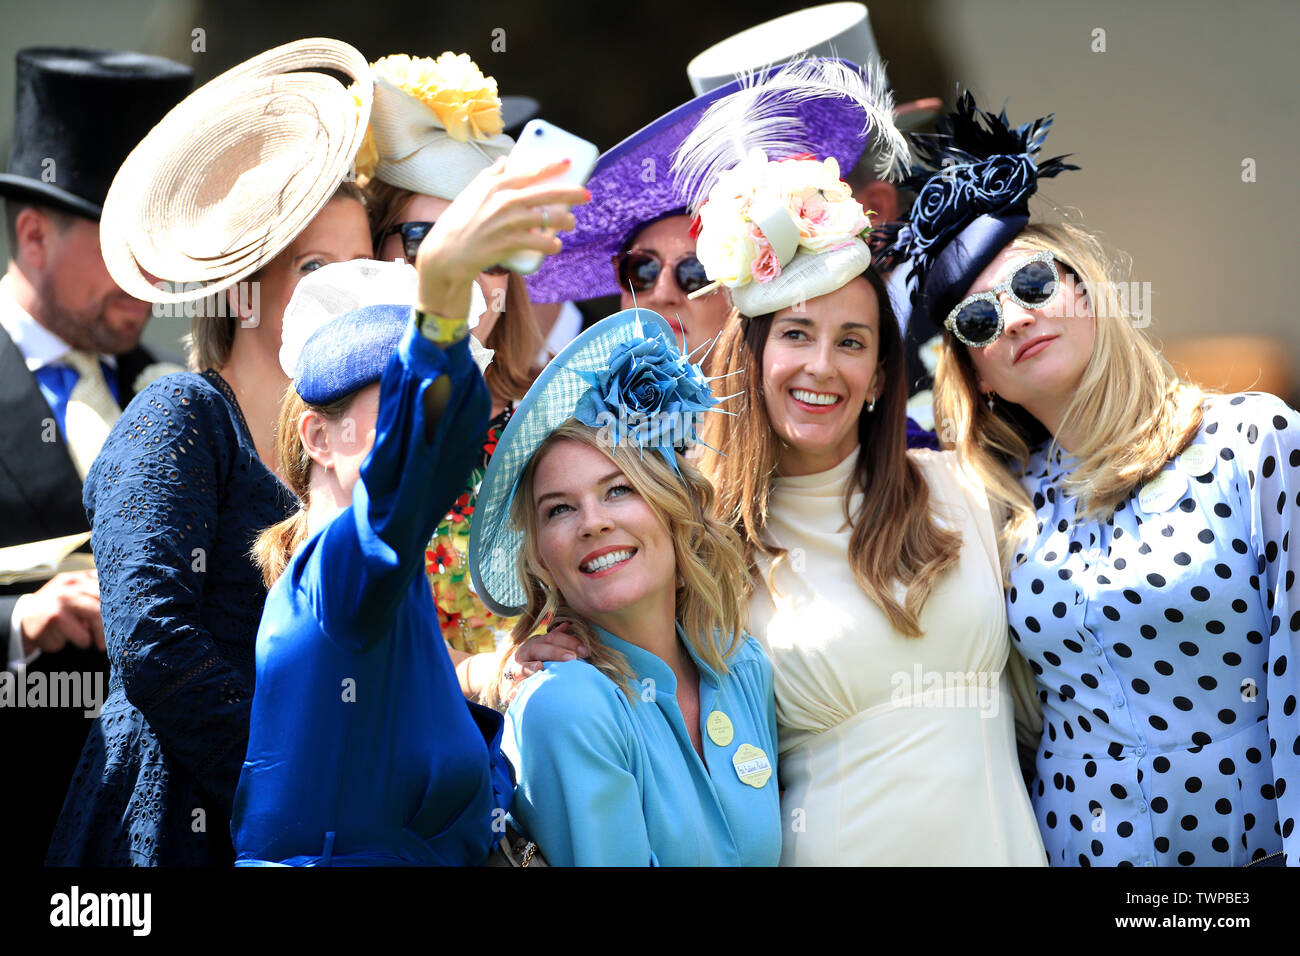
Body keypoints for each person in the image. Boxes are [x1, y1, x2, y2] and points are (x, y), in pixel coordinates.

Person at [889, 91, 1300, 866]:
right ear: (979, 378)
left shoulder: (1254, 442)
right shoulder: (995, 507)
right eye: (977, 321)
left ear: (1087, 289)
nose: (1013, 317)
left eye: (1034, 284)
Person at [678, 62, 1047, 865]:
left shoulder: (966, 490)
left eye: (852, 342)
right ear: (752, 357)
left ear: (881, 376)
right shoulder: (705, 547)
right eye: (796, 335)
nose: (822, 367)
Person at [46, 39, 375, 866]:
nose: (346, 291)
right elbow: (154, 642)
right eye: (314, 267)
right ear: (243, 283)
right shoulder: (179, 412)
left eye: (363, 267)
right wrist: (295, 784)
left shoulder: (352, 443)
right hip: (166, 827)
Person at [232, 142, 583, 862]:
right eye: (389, 405)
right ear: (319, 440)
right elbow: (408, 471)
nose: (413, 428)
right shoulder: (339, 575)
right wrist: (446, 286)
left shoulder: (381, 582)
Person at [468, 308, 781, 866]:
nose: (593, 522)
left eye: (617, 490)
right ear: (540, 553)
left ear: (673, 506)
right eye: (559, 509)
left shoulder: (742, 668)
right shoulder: (565, 705)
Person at [0, 46, 192, 866]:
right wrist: (18, 626)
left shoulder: (174, 384)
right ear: (35, 235)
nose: (149, 276)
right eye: (123, 246)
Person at [357, 52, 542, 661]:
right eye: (426, 242)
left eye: (487, 252)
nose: (459, 272)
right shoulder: (326, 429)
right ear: (372, 251)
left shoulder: (561, 421)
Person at [522, 62, 877, 373]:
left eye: (695, 272)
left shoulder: (801, 434)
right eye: (639, 270)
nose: (661, 294)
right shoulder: (573, 438)